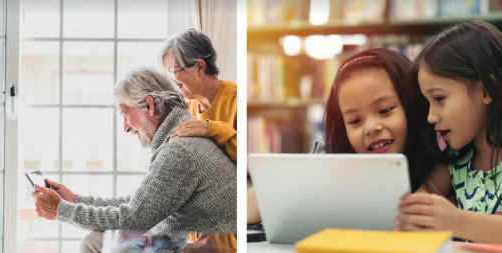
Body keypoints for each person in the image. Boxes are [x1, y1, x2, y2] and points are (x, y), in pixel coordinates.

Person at [32, 66, 237, 253]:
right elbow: (140, 204)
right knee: (94, 241)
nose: (125, 127)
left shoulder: (179, 150)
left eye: (125, 113)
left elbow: (132, 219)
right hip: (181, 240)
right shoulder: (178, 138)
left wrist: (60, 210)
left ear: (148, 106)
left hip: (200, 247)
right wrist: (74, 200)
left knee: (115, 245)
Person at [246, 48, 443, 225]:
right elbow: (256, 200)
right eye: (355, 121)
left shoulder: (442, 160)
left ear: (414, 106)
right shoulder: (331, 160)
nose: (371, 128)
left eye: (384, 110)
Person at [397, 20, 502, 243]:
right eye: (428, 103)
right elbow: (413, 211)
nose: (430, 117)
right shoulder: (455, 163)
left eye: (439, 99)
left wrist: (456, 221)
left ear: (487, 89)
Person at [160, 28, 236, 163]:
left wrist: (210, 128)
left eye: (174, 72)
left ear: (200, 67)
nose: (172, 81)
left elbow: (250, 156)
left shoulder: (237, 99)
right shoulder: (187, 108)